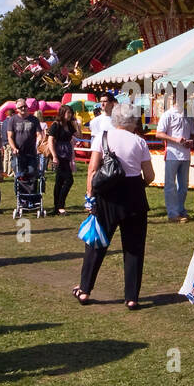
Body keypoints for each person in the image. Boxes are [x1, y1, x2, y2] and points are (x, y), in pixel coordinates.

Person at [73, 102, 154, 310]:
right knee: (134, 248)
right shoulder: (140, 142)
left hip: (107, 197)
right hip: (135, 197)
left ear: (116, 119)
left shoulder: (103, 137)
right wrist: (138, 185)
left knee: (96, 243)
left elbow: (92, 169)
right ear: (133, 120)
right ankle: (131, 297)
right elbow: (150, 176)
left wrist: (89, 197)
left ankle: (84, 289)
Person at [154, 95, 194, 222]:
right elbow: (158, 133)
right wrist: (175, 140)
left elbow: (192, 134)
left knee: (183, 185)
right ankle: (172, 213)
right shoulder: (168, 114)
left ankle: (181, 209)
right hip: (172, 154)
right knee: (170, 184)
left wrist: (190, 141)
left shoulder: (189, 115)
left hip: (185, 154)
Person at [47, 106, 79, 214]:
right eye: (68, 113)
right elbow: (50, 140)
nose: (69, 115)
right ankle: (60, 205)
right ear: (62, 113)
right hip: (59, 155)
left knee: (59, 181)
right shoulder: (56, 125)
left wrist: (76, 123)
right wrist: (54, 156)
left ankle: (57, 207)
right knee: (69, 180)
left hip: (67, 155)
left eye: (71, 113)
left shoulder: (69, 125)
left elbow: (79, 135)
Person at [6, 98, 42, 189]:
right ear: (16, 109)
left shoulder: (34, 119)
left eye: (25, 106)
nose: (23, 108)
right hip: (18, 154)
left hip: (31, 153)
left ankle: (32, 196)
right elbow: (10, 137)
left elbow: (39, 134)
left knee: (32, 172)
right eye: (20, 107)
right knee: (20, 174)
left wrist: (39, 143)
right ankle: (22, 196)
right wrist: (14, 148)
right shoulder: (13, 120)